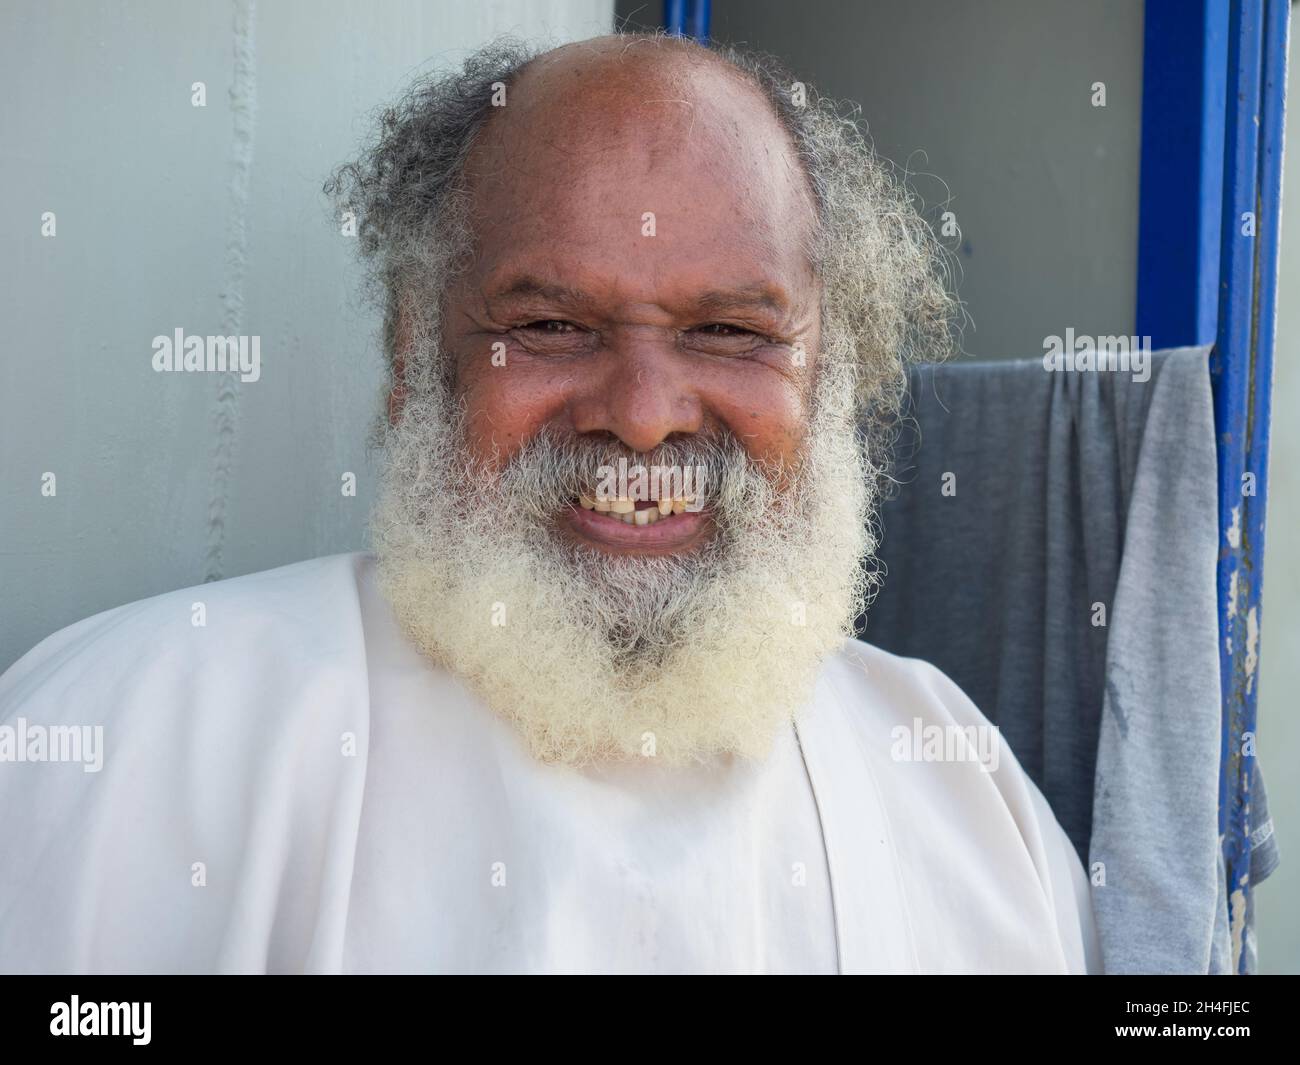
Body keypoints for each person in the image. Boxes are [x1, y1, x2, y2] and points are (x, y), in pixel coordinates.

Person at [0, 32, 1100, 974]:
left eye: (729, 332)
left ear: (830, 375)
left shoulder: (960, 787)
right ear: (411, 354)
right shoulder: (126, 742)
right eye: (549, 326)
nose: (642, 415)